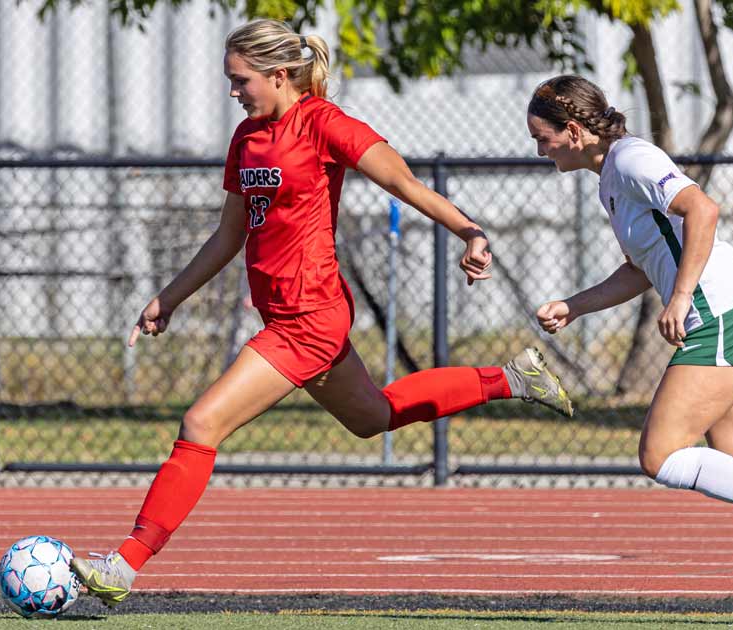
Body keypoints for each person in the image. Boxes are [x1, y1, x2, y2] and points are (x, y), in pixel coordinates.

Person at [70, 19, 574, 608]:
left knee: (201, 424)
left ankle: (123, 565)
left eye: (241, 80)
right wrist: (169, 297)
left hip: (308, 319)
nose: (233, 92)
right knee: (373, 416)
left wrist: (470, 231)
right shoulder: (246, 137)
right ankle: (514, 377)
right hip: (286, 316)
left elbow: (403, 183)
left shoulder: (323, 124)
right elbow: (229, 234)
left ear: (279, 75)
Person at [526, 75, 733, 625]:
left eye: (544, 138)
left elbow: (702, 209)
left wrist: (680, 298)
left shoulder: (631, 158)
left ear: (575, 132)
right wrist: (574, 306)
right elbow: (639, 270)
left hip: (721, 314)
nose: (540, 150)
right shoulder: (610, 179)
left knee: (660, 456)